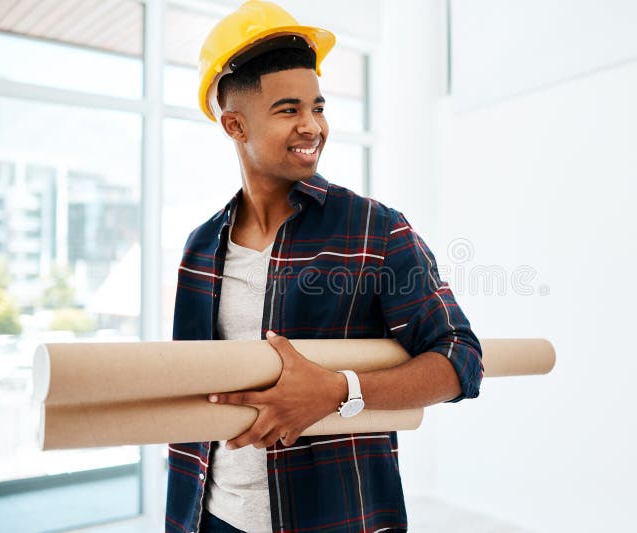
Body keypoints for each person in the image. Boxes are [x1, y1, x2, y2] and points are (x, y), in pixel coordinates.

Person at [166, 2, 483, 532]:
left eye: (318, 106)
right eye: (288, 110)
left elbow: (462, 359)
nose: (312, 125)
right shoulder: (201, 248)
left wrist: (339, 390)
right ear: (235, 124)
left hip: (336, 517)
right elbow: (189, 387)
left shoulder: (374, 230)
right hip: (211, 514)